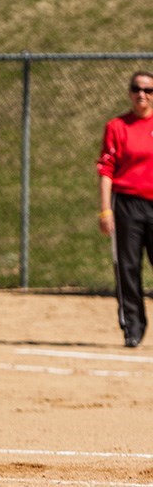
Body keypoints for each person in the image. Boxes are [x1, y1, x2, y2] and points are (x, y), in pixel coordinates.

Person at [97, 70, 153, 349]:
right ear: (130, 93)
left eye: (148, 90)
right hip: (127, 204)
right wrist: (105, 210)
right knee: (128, 268)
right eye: (136, 89)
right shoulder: (117, 126)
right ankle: (133, 326)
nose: (141, 94)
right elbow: (106, 169)